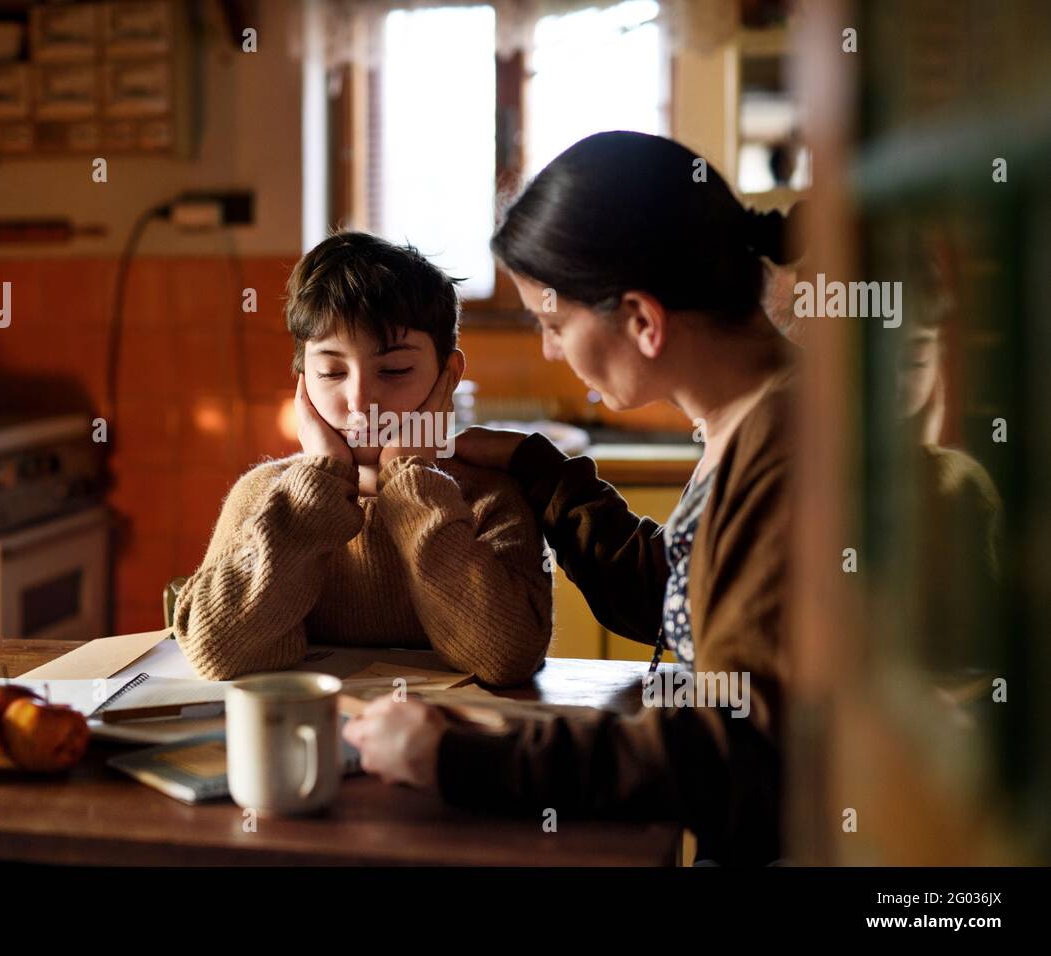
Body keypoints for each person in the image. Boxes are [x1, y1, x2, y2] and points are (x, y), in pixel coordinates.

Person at [344, 131, 802, 865]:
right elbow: (678, 597)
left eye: (554, 324)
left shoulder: (790, 452)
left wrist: (461, 758)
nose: (551, 350)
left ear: (644, 321)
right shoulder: (749, 422)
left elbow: (732, 748)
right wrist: (542, 473)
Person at [172, 231, 552, 686]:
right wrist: (321, 484)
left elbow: (504, 658)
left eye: (393, 370)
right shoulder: (265, 498)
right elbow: (218, 652)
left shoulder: (489, 500)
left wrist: (409, 480)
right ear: (301, 380)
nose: (360, 400)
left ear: (448, 377)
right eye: (331, 371)